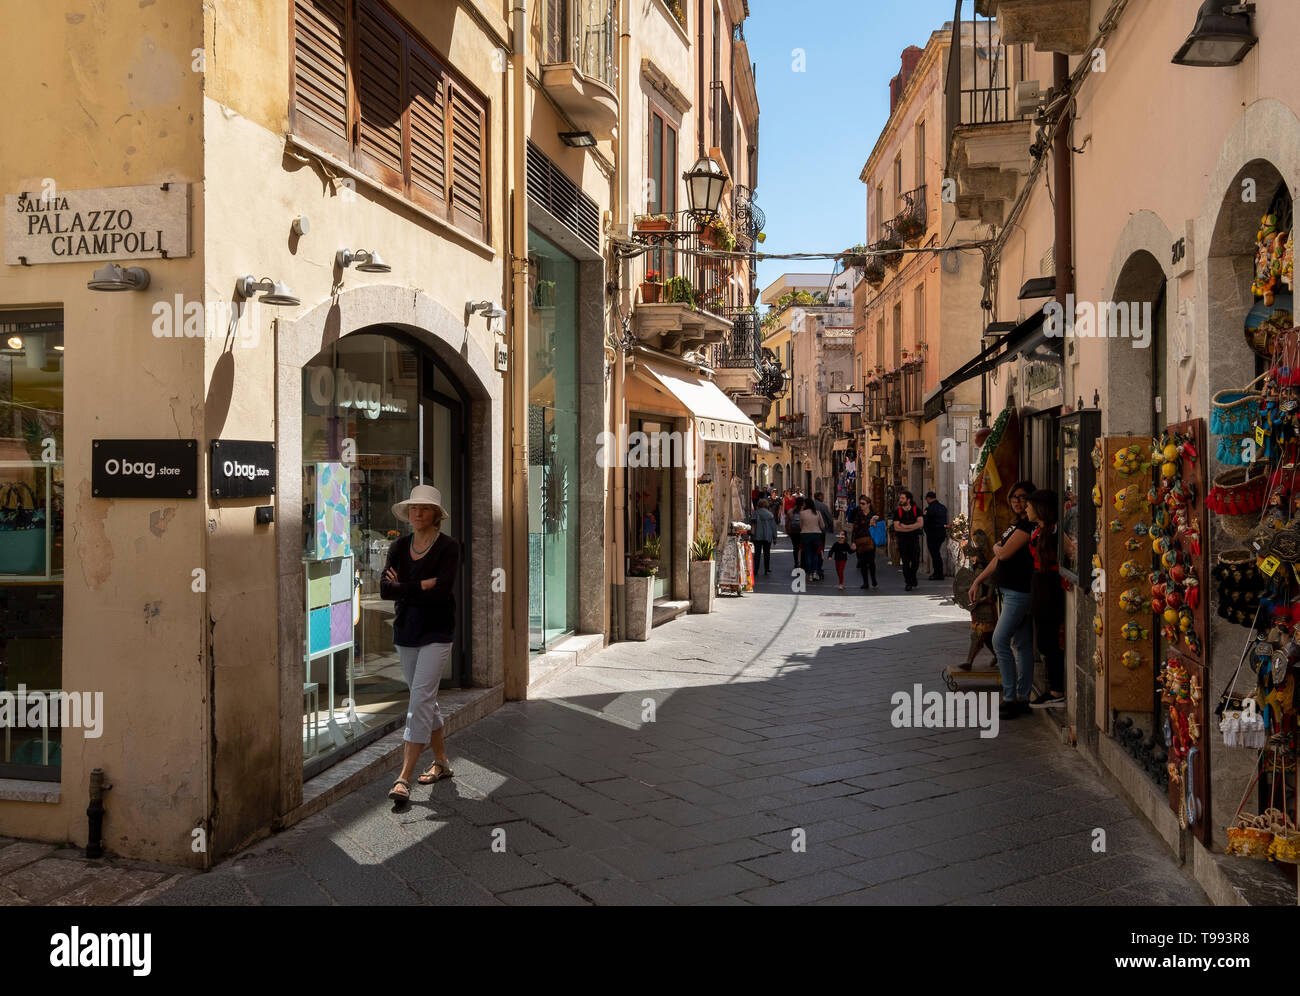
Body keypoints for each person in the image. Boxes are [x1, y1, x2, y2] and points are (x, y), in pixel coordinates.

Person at [381, 485, 459, 804]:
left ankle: (403, 778)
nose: (417, 513)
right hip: (407, 630)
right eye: (413, 508)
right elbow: (386, 591)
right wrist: (419, 586)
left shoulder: (449, 548)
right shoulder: (399, 546)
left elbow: (442, 590)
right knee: (424, 697)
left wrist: (405, 587)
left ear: (436, 515)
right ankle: (441, 763)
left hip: (438, 631)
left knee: (420, 700)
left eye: (425, 509)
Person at [967, 480, 1037, 719]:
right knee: (1023, 645)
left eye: (1023, 497)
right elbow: (998, 560)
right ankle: (1023, 697)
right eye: (1014, 497)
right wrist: (978, 581)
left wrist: (998, 546)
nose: (1018, 501)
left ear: (1031, 500)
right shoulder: (1015, 525)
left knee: (999, 641)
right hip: (1010, 591)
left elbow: (1003, 553)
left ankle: (1010, 697)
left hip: (1019, 592)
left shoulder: (1028, 526)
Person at [1026, 489, 1066, 707]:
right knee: (1043, 640)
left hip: (1050, 587)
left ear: (1040, 508)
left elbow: (1071, 551)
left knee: (1050, 641)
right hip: (1041, 586)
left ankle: (1056, 690)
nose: (1026, 508)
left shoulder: (1054, 531)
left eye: (1030, 505)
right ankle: (1054, 688)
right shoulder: (1038, 530)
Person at [893, 490, 924, 590]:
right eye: (900, 498)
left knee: (915, 561)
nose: (900, 500)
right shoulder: (898, 512)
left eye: (902, 498)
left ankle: (913, 576)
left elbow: (920, 524)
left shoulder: (916, 510)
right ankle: (908, 582)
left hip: (914, 540)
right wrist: (912, 527)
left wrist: (906, 527)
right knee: (905, 562)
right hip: (902, 541)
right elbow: (896, 527)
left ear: (908, 499)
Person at [923, 491, 949, 581]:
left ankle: (938, 573)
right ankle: (939, 573)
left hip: (932, 534)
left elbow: (925, 522)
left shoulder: (929, 509)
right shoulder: (943, 508)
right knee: (937, 553)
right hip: (941, 533)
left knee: (935, 554)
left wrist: (926, 531)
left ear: (928, 498)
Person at [751, 498, 777, 575]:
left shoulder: (755, 513)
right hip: (767, 536)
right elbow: (773, 527)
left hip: (757, 536)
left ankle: (756, 569)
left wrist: (751, 534)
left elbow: (752, 524)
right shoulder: (770, 514)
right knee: (767, 553)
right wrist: (774, 537)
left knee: (757, 553)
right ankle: (767, 569)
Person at [799, 499, 823, 579]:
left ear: (806, 504)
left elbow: (800, 525)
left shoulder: (802, 513)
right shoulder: (818, 513)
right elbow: (822, 525)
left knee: (808, 554)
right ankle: (815, 572)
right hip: (816, 534)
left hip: (806, 534)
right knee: (815, 554)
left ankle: (809, 573)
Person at [852, 513, 877, 589]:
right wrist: (853, 542)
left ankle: (873, 579)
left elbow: (878, 526)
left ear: (868, 504)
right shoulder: (858, 515)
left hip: (871, 541)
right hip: (860, 541)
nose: (862, 505)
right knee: (862, 562)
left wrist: (874, 522)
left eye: (863, 503)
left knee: (871, 561)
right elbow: (855, 530)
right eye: (861, 503)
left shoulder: (873, 515)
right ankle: (865, 583)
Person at [813, 491, 834, 577]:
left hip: (810, 531)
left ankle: (812, 566)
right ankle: (819, 567)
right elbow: (829, 518)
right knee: (820, 549)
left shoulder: (811, 505)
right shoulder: (823, 506)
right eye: (822, 496)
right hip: (821, 531)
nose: (823, 498)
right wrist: (831, 527)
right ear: (819, 497)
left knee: (812, 549)